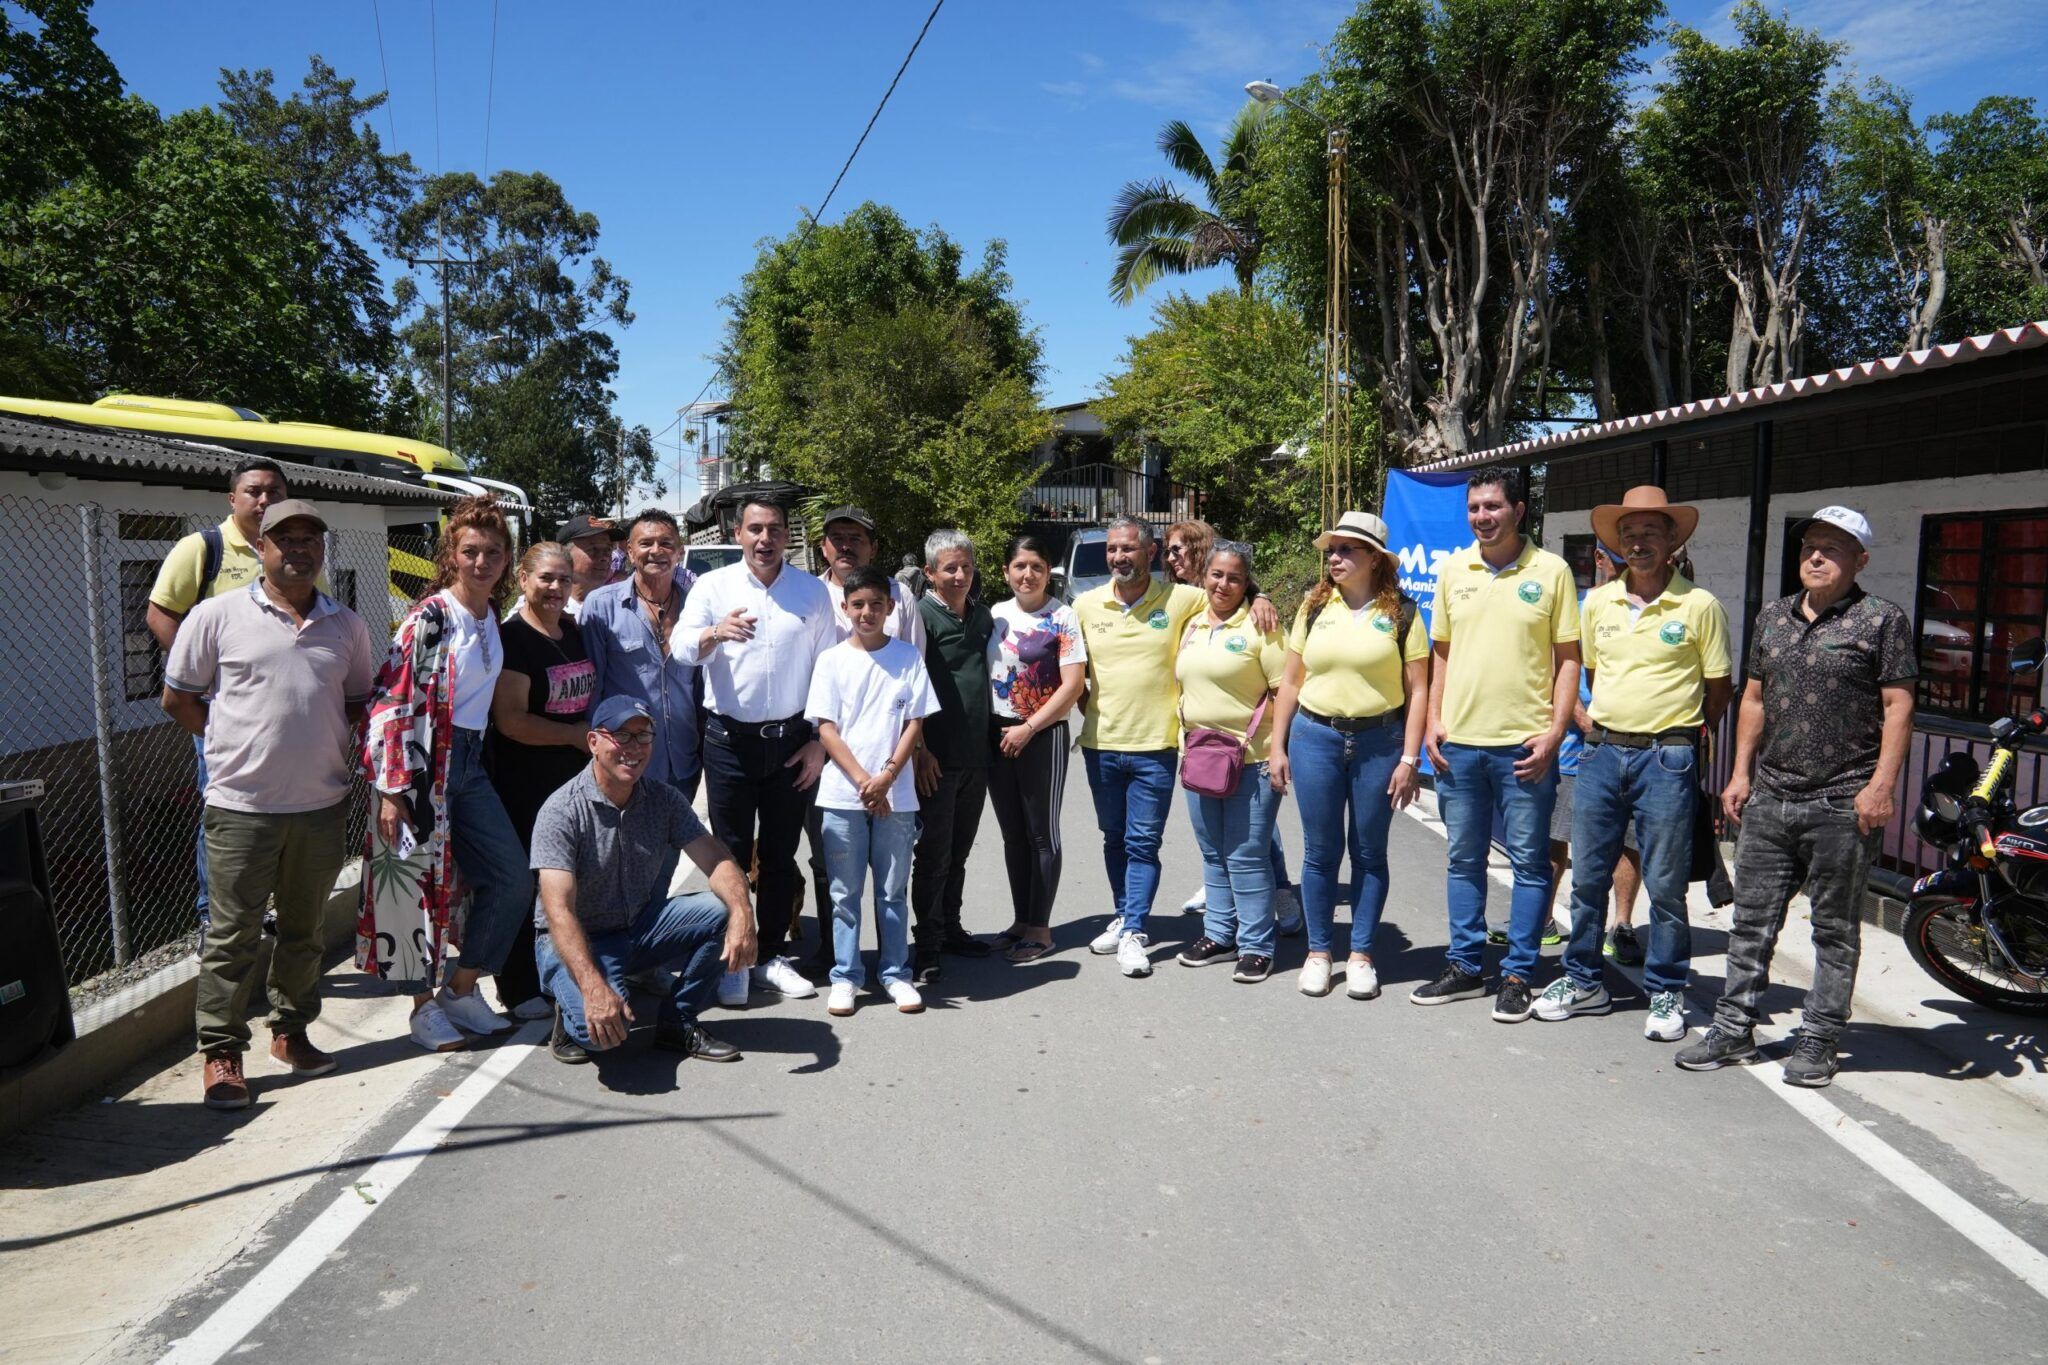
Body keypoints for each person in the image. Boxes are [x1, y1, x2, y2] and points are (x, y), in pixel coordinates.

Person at [1679, 506, 1915, 1087]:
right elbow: (1753, 700)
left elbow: (1898, 706)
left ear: (1859, 560)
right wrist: (1739, 774)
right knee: (1751, 923)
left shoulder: (1881, 621)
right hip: (1772, 798)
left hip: (1843, 802)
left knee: (1834, 930)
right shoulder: (1774, 618)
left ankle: (1819, 1039)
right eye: (1810, 545)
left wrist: (1881, 787)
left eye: (1831, 548)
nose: (1814, 556)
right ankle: (1733, 1027)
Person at [163, 500, 375, 1109]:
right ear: (261, 547)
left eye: (311, 539)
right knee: (233, 934)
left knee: (305, 931)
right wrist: (230, 742)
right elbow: (177, 699)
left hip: (321, 805)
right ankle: (222, 1052)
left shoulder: (346, 626)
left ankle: (291, 1032)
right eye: (286, 539)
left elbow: (357, 703)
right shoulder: (216, 616)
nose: (299, 549)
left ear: (323, 551)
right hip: (241, 807)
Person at [1534, 487, 1731, 1040]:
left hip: (1667, 759)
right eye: (1629, 534)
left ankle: (1667, 990)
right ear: (1617, 544)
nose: (1638, 543)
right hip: (1601, 753)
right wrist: (1582, 719)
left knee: (1666, 885)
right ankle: (1584, 981)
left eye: (1650, 533)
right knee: (1589, 876)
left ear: (1672, 541)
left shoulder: (1700, 606)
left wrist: (1683, 733)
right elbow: (1580, 671)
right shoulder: (1597, 603)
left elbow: (1719, 689)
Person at [360, 495, 535, 1051]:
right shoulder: (429, 617)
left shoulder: (491, 620)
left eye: (493, 552)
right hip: (418, 766)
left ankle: (459, 989)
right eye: (470, 552)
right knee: (410, 887)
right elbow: (389, 700)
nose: (481, 562)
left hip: (470, 763)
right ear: (451, 556)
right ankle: (420, 1009)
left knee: (512, 878)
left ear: (507, 560)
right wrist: (392, 790)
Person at [1075, 517, 1280, 977]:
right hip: (1103, 744)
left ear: (1150, 553)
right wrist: (1091, 710)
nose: (1118, 557)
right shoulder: (1086, 604)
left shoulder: (1182, 599)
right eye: (1112, 549)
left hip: (1162, 748)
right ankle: (1127, 915)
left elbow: (1230, 582)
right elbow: (1073, 669)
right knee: (1117, 840)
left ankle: (1136, 930)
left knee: (1146, 843)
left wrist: (1261, 594)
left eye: (1129, 548)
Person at [1415, 468, 1581, 1023]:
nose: (1482, 517)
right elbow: (1440, 652)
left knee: (1531, 865)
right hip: (1459, 745)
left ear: (1518, 510)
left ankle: (1517, 975)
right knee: (1464, 860)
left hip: (1523, 749)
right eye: (1474, 508)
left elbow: (1568, 660)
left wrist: (1556, 731)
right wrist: (1434, 718)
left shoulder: (1552, 572)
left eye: (1492, 507)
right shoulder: (1452, 571)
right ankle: (1464, 966)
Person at [673, 495, 836, 1004]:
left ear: (789, 535)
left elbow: (828, 673)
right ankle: (732, 959)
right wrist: (714, 633)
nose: (765, 539)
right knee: (730, 853)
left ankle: (768, 956)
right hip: (729, 742)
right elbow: (679, 648)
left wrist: (817, 743)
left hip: (791, 743)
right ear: (738, 533)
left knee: (783, 855)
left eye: (775, 529)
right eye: (755, 529)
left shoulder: (812, 594)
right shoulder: (712, 586)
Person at [531, 697, 754, 1064]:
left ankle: (677, 1021)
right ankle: (569, 1011)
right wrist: (592, 987)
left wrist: (744, 912)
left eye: (643, 735)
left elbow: (716, 860)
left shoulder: (663, 799)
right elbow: (558, 912)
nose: (634, 747)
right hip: (576, 939)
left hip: (636, 928)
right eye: (622, 735)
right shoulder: (562, 811)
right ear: (593, 742)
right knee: (601, 1037)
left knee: (725, 907)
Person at [1268, 511, 1430, 999]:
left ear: (1375, 559)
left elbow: (1419, 691)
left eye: (1347, 550)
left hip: (1379, 743)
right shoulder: (1315, 607)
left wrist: (1409, 759)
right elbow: (1291, 681)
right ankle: (1319, 953)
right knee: (1320, 853)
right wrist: (1277, 745)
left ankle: (1360, 955)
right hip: (1314, 736)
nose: (1334, 557)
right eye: (1332, 550)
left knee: (1368, 851)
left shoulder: (1402, 612)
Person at [146, 457, 292, 944]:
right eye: (254, 491)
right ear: (233, 498)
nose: (264, 500)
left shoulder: (294, 550)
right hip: (223, 714)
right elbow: (160, 614)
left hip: (284, 719)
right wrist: (198, 676)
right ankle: (214, 912)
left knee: (275, 816)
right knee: (224, 814)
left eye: (274, 491)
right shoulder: (203, 548)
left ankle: (257, 907)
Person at [806, 566, 942, 1016]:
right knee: (844, 893)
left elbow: (914, 722)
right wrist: (866, 781)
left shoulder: (907, 657)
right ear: (844, 609)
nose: (867, 612)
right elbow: (826, 728)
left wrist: (886, 775)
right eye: (858, 604)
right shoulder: (831, 660)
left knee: (891, 890)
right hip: (843, 797)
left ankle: (895, 973)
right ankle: (845, 976)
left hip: (896, 796)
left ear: (891, 608)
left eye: (876, 605)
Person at [1166, 519, 1303, 932]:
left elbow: (1287, 690)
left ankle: (1257, 942)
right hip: (1200, 754)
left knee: (1246, 853)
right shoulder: (1192, 619)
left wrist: (1278, 749)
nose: (1223, 584)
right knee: (1214, 852)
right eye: (1217, 575)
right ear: (1204, 575)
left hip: (1251, 758)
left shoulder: (1263, 624)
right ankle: (1219, 934)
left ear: (1247, 584)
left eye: (1235, 579)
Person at [488, 543, 597, 1022]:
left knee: (567, 880)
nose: (555, 588)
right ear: (522, 580)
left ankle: (561, 970)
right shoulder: (512, 640)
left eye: (563, 580)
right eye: (546, 579)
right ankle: (516, 985)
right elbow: (512, 721)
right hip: (524, 780)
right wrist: (575, 736)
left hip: (572, 781)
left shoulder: (571, 632)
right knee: (528, 882)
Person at [986, 535, 1087, 963]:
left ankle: (1041, 930)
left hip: (1042, 734)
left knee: (1042, 833)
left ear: (1049, 573)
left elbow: (1073, 685)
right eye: (1019, 566)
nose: (1027, 575)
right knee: (1013, 835)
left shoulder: (1062, 617)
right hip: (996, 734)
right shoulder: (993, 615)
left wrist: (1028, 728)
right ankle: (1021, 920)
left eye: (1037, 567)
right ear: (1006, 570)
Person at [910, 529, 996, 985]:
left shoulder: (983, 617)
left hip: (976, 757)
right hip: (935, 760)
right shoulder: (918, 618)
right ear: (930, 573)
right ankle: (925, 946)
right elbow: (906, 688)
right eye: (950, 568)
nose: (960, 575)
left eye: (966, 566)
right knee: (933, 854)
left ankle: (950, 929)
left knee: (959, 852)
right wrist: (919, 750)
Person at [580, 509, 702, 793]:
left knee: (678, 837)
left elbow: (701, 687)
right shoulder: (601, 606)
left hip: (684, 760)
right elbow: (591, 686)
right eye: (646, 544)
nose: (656, 551)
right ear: (630, 552)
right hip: (623, 760)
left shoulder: (696, 608)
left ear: (679, 551)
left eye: (666, 543)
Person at [560, 514, 627, 617]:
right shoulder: (547, 606)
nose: (604, 557)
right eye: (593, 549)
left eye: (608, 549)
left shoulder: (621, 606)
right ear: (565, 554)